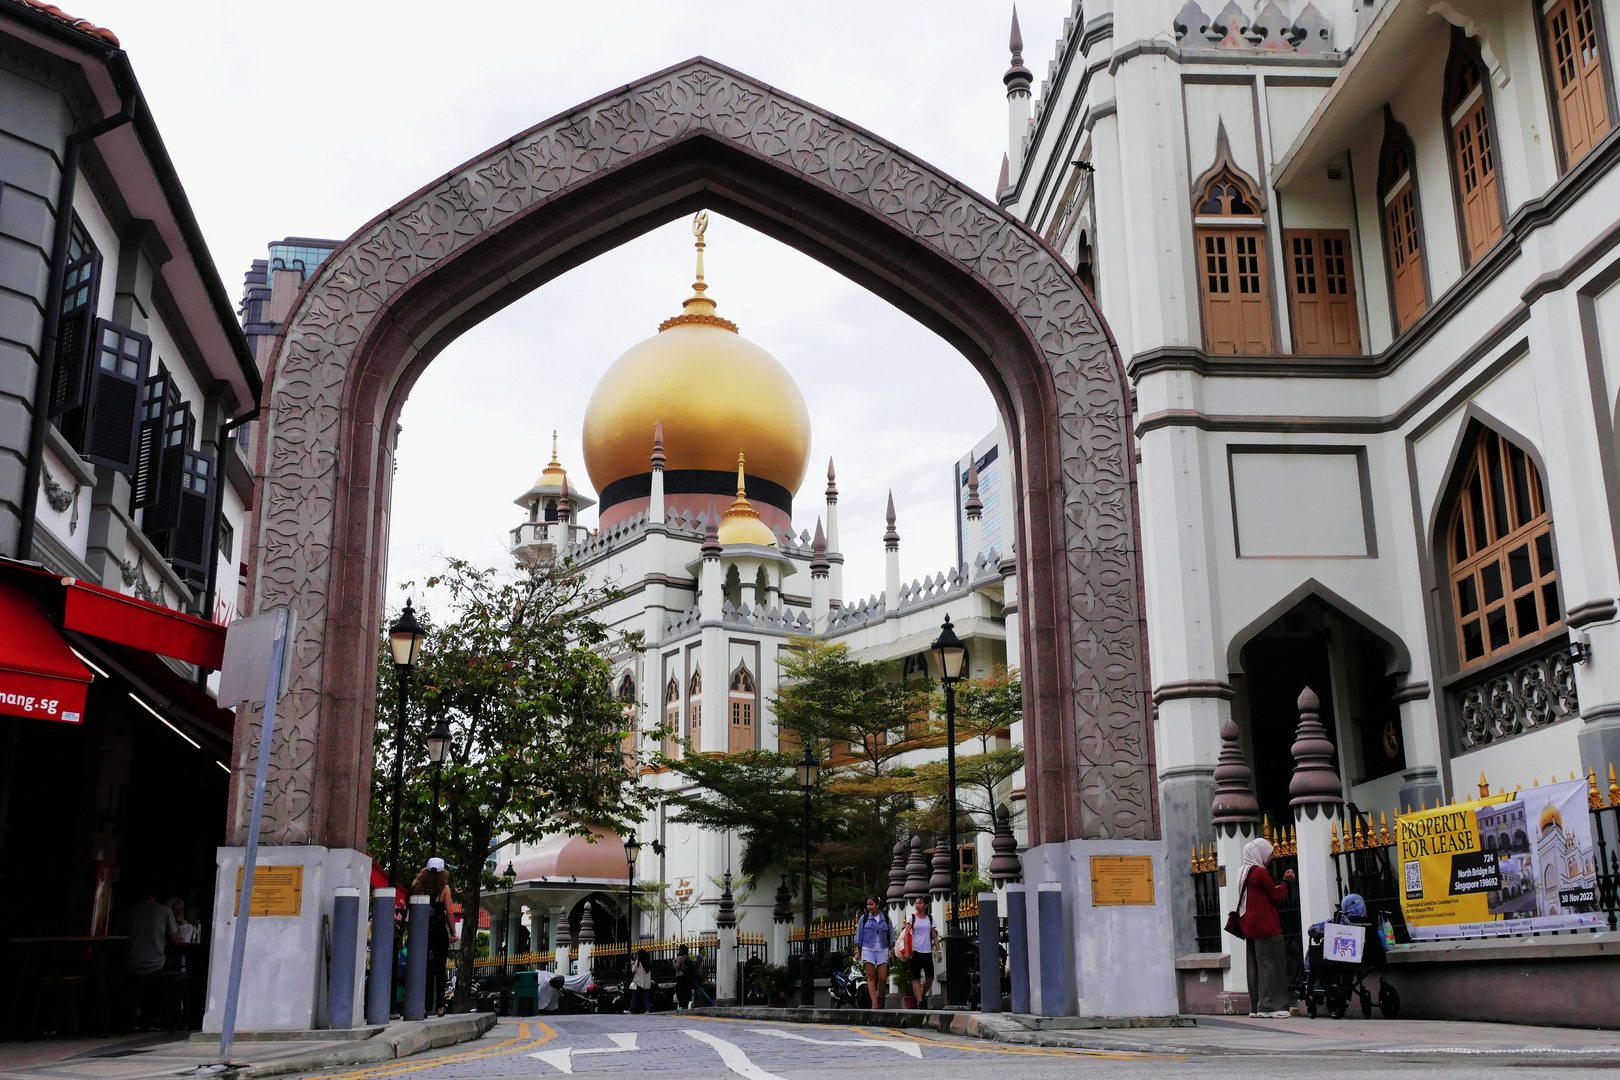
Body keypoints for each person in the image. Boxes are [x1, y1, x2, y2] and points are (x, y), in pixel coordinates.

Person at [1237, 837, 1295, 1018]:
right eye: (1268, 854)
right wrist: (1286, 883)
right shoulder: (1260, 873)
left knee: (1255, 968)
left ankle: (1256, 1007)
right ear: (1259, 854)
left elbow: (1258, 896)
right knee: (1271, 967)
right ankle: (1272, 1007)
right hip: (1266, 925)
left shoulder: (1243, 871)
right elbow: (1275, 899)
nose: (1270, 858)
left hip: (1249, 925)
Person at [116, 885, 181, 1030]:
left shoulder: (128, 911)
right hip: (156, 964)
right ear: (156, 893)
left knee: (133, 984)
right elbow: (176, 940)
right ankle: (167, 1018)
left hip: (130, 964)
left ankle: (129, 1019)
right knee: (174, 976)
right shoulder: (165, 911)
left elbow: (116, 936)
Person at [411, 858, 457, 1016]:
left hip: (422, 932)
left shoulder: (419, 887)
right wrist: (453, 932)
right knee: (440, 969)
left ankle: (422, 1005)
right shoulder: (444, 890)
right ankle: (439, 1007)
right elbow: (449, 912)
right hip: (439, 932)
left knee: (422, 969)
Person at [854, 895, 893, 1010]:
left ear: (877, 905)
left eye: (871, 904)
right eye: (868, 904)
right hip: (868, 948)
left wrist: (892, 950)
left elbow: (890, 934)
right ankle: (874, 1001)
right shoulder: (864, 918)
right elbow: (859, 935)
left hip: (882, 949)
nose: (869, 907)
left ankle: (879, 995)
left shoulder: (885, 918)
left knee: (882, 976)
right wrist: (857, 951)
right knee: (871, 975)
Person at [903, 896, 937, 1007]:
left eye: (920, 903)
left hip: (926, 950)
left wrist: (939, 951)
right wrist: (907, 951)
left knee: (930, 977)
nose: (917, 905)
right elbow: (906, 935)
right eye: (916, 903)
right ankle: (920, 1002)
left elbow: (934, 936)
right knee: (916, 977)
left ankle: (921, 994)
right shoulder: (912, 918)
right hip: (915, 950)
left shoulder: (930, 919)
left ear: (926, 906)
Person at [628, 949, 653, 1014]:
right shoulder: (648, 962)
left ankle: (631, 1010)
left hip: (638, 981)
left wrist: (632, 965)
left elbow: (633, 970)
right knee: (646, 996)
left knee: (634, 996)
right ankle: (647, 1009)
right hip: (646, 982)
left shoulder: (638, 961)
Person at [672, 944, 695, 1013]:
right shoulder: (688, 957)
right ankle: (685, 1005)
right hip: (686, 977)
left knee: (679, 991)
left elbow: (677, 966)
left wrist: (673, 962)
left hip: (680, 976)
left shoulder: (680, 958)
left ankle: (682, 1005)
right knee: (685, 991)